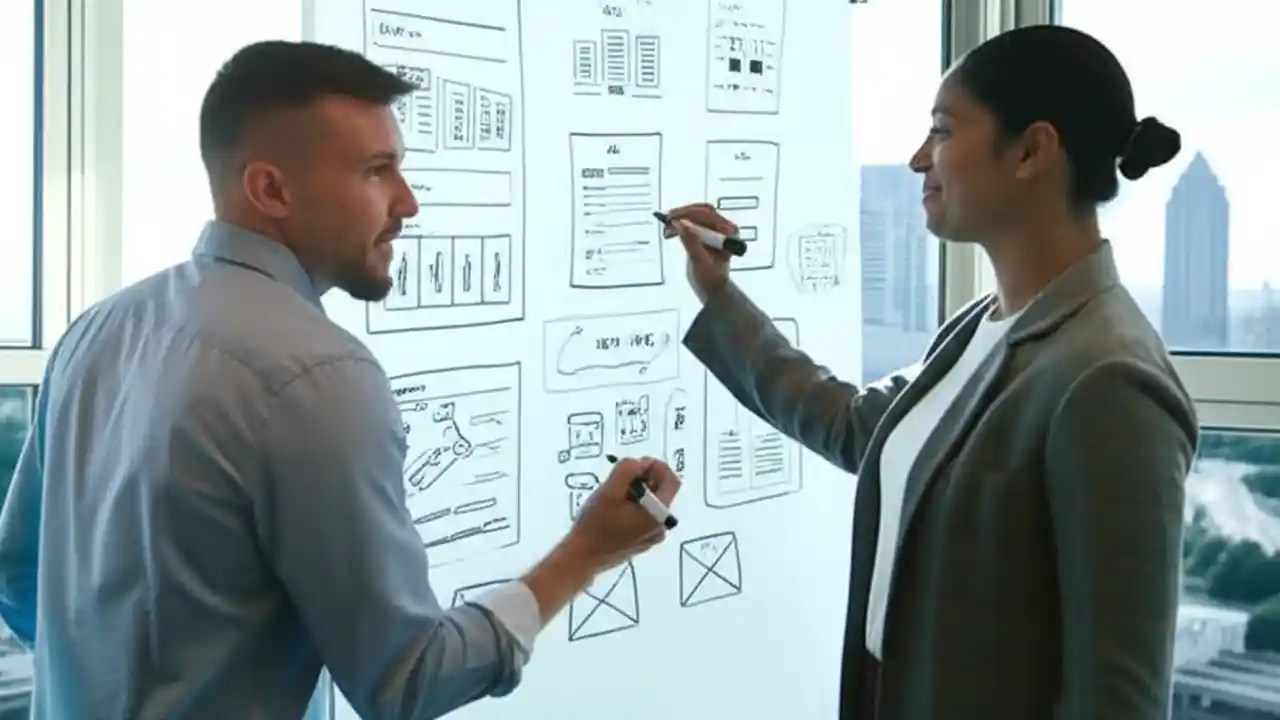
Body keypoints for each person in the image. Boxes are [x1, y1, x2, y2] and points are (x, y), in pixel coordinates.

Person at [0, 40, 681, 719]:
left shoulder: (99, 330)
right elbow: (411, 681)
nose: (407, 204)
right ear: (271, 190)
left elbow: (21, 577)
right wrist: (585, 553)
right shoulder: (317, 376)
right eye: (377, 172)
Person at [664, 24, 1197, 720]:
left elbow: (1118, 700)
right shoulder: (981, 328)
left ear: (1031, 151)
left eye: (942, 131)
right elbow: (853, 425)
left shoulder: (1109, 380)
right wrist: (718, 294)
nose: (919, 159)